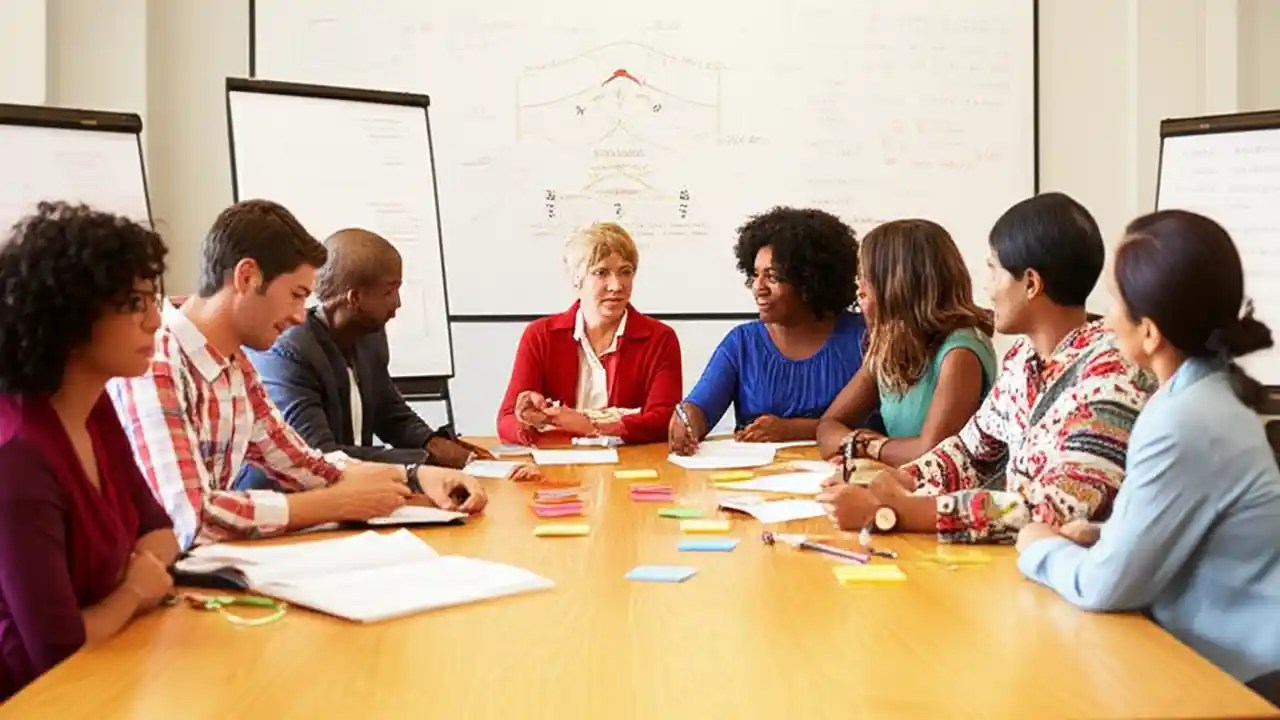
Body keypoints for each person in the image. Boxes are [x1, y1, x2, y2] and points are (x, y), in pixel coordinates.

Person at [109, 200, 485, 549]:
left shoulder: (235, 365)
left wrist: (417, 476)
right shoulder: (155, 361)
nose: (299, 316)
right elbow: (191, 518)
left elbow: (301, 462)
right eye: (296, 294)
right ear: (247, 277)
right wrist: (331, 505)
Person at [1016, 210, 1280, 705]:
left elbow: (1105, 588)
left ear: (1151, 333)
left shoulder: (1184, 419)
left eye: (1115, 301)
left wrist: (1035, 545)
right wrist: (1101, 536)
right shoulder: (1199, 393)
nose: (1108, 317)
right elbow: (1187, 527)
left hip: (1239, 680)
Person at [818, 192, 1154, 543]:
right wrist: (898, 482)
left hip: (1074, 578)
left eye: (994, 271)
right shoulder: (1023, 359)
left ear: (1031, 284)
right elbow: (969, 452)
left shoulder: (1112, 373)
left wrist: (894, 512)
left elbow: (1056, 510)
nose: (989, 289)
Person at [0, 203, 179, 700]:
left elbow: (161, 530)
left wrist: (129, 588)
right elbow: (57, 650)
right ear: (71, 314)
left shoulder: (95, 407)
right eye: (134, 302)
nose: (156, 320)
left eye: (154, 298)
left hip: (110, 668)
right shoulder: (16, 457)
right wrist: (133, 591)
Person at [240, 229, 535, 486]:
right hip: (289, 506)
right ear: (355, 298)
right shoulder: (290, 352)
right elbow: (321, 453)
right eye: (390, 291)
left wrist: (439, 445)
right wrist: (424, 462)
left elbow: (389, 413)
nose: (398, 303)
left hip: (350, 494)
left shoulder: (370, 337)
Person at [669, 206, 867, 453]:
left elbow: (875, 428)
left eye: (772, 277)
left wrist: (791, 430)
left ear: (810, 281)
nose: (758, 288)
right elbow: (701, 407)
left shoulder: (865, 338)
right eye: (755, 275)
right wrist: (687, 421)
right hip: (757, 483)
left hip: (846, 477)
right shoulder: (742, 343)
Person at [815, 219, 998, 466]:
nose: (858, 287)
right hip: (898, 484)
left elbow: (932, 455)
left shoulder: (960, 351)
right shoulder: (889, 345)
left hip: (944, 498)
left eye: (865, 276)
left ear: (897, 283)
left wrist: (868, 446)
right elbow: (827, 426)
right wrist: (860, 444)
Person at [497, 222, 682, 445]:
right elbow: (507, 420)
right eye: (601, 273)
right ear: (577, 278)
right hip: (560, 463)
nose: (616, 285)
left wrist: (590, 426)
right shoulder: (540, 335)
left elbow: (665, 420)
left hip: (630, 465)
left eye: (625, 272)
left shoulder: (660, 338)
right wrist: (533, 421)